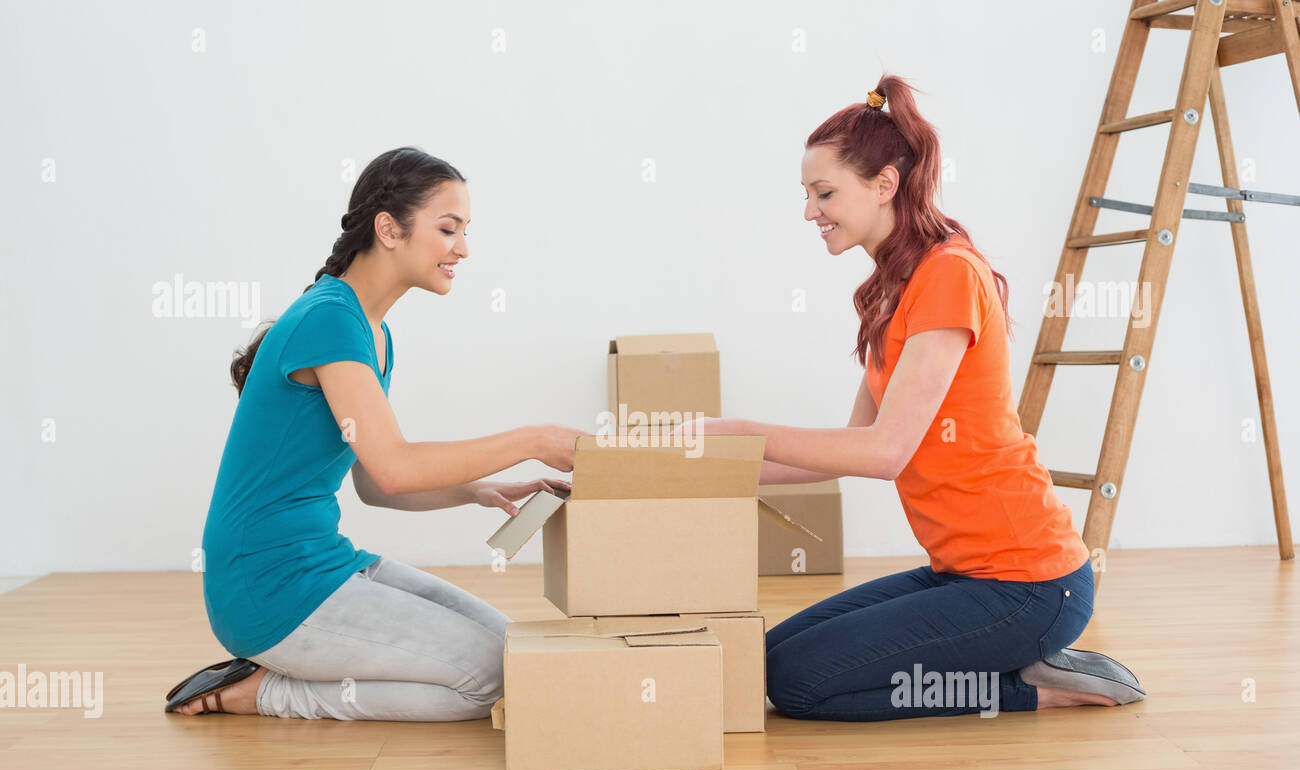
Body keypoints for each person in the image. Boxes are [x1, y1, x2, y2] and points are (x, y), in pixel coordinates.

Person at [683, 76, 1146, 720]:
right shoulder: (889, 291)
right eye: (807, 196)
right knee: (771, 658)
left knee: (798, 686)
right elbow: (842, 453)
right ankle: (1005, 656)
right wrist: (690, 470)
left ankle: (1028, 685)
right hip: (962, 572)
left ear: (885, 185)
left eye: (824, 194)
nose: (810, 213)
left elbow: (886, 452)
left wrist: (735, 428)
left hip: (1030, 584)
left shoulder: (950, 274)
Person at [166, 147, 588, 720]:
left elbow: (375, 484)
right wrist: (533, 439)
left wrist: (477, 490)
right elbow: (394, 466)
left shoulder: (372, 332)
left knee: (515, 652)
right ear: (389, 229)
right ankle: (265, 691)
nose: (462, 248)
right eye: (448, 229)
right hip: (267, 587)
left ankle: (284, 672)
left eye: (464, 231)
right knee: (490, 678)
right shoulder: (330, 319)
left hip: (326, 562)